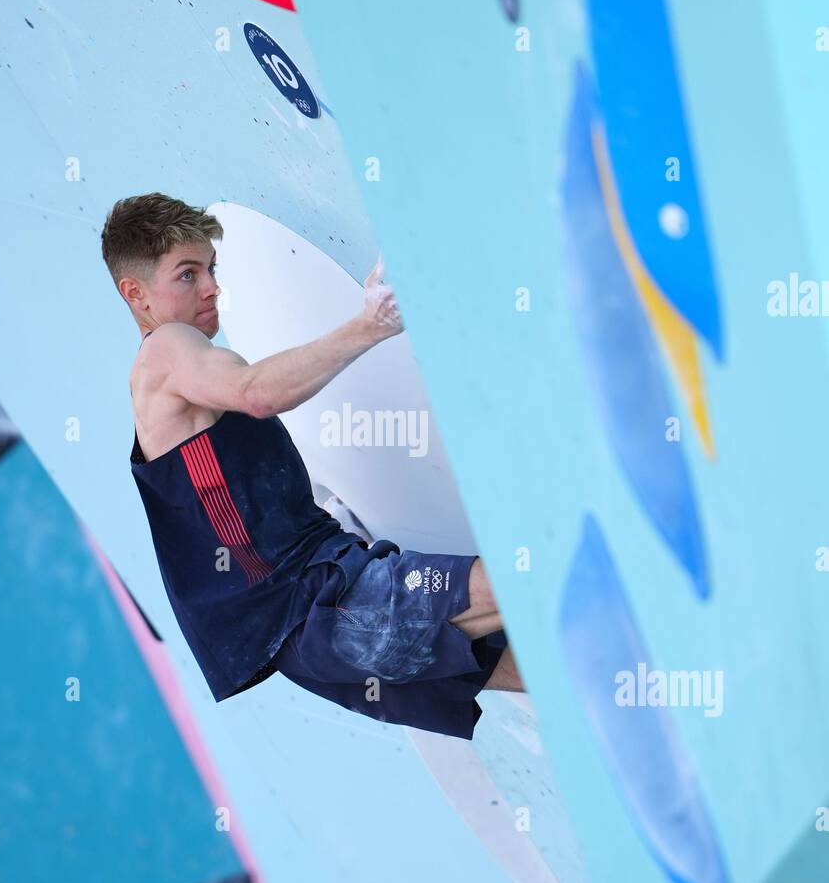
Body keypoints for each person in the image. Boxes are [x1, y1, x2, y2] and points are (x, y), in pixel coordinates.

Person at [102, 192, 524, 739]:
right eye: (187, 275)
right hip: (331, 610)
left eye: (211, 268)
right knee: (527, 579)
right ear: (135, 294)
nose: (211, 287)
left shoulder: (178, 390)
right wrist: (371, 323)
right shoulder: (166, 351)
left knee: (555, 652)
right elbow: (255, 393)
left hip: (323, 643)